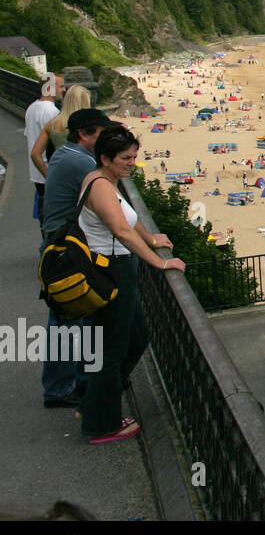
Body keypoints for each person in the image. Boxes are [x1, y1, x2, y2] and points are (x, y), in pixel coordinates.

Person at [78, 126, 186, 443]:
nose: (132, 163)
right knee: (111, 350)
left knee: (138, 337)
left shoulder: (108, 181)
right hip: (109, 272)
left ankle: (94, 403)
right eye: (125, 158)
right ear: (105, 158)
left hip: (117, 270)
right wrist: (160, 261)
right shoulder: (99, 186)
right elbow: (121, 232)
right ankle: (101, 424)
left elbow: (130, 219)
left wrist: (151, 238)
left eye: (134, 156)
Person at [39, 108, 120, 408]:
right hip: (67, 250)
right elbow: (107, 191)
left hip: (59, 243)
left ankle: (74, 381)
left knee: (71, 318)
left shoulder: (66, 153)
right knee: (68, 319)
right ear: (86, 135)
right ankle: (60, 388)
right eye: (103, 132)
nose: (109, 139)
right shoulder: (80, 162)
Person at [26, 72, 66, 226]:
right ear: (49, 88)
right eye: (60, 86)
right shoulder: (52, 112)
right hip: (48, 172)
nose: (63, 90)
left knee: (46, 219)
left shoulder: (31, 108)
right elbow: (58, 144)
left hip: (36, 174)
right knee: (56, 221)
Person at [29, 84, 91, 181]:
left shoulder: (52, 124)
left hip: (60, 173)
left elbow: (35, 154)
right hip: (84, 173)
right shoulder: (86, 124)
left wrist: (48, 177)